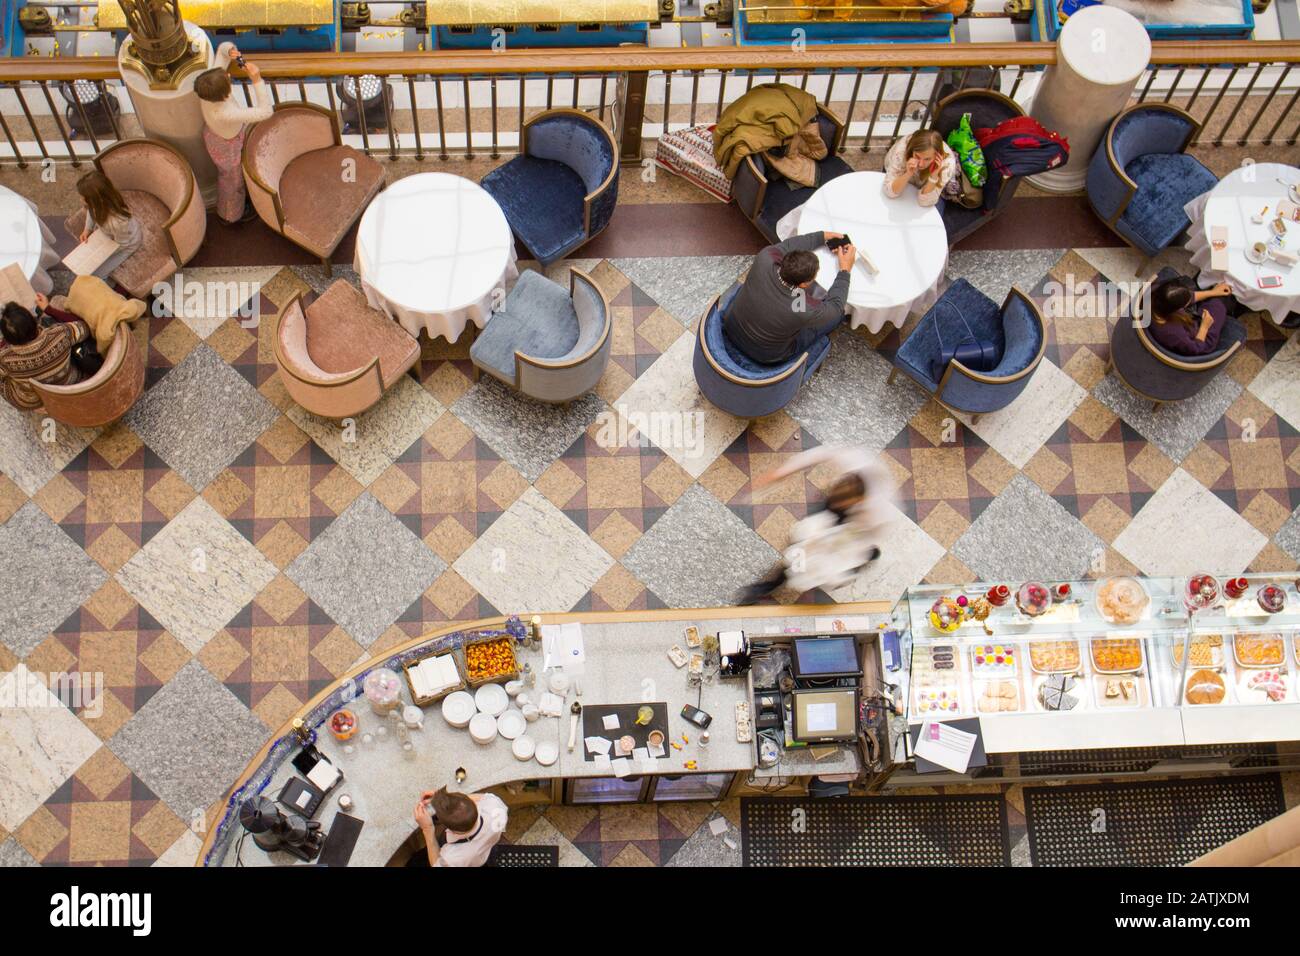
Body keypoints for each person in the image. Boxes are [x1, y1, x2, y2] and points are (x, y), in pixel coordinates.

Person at [738, 445, 895, 604]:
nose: (837, 501)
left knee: (831, 561)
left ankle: (870, 554)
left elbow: (863, 540)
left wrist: (850, 556)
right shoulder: (856, 462)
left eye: (843, 501)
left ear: (859, 500)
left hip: (857, 528)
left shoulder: (878, 514)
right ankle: (773, 583)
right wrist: (781, 473)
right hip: (841, 515)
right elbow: (821, 453)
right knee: (801, 546)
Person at [725, 231, 855, 365]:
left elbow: (790, 244)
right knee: (837, 317)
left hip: (731, 326)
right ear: (804, 284)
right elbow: (836, 306)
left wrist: (822, 236)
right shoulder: (803, 308)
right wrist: (845, 270)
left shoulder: (765, 257)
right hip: (765, 356)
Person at [196, 43, 273, 223]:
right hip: (227, 146)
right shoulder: (225, 112)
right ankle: (230, 215)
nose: (229, 74)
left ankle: (234, 209)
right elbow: (266, 112)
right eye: (227, 79)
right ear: (224, 96)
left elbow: (221, 52)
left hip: (218, 135)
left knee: (231, 178)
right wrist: (256, 79)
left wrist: (228, 51)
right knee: (232, 182)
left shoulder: (207, 91)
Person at [0, 297, 96, 410]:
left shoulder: (5, 358)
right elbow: (85, 327)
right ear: (34, 321)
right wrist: (49, 309)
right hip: (68, 383)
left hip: (32, 401)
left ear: (8, 339)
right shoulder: (61, 333)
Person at [1146, 273, 1244, 357]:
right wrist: (1204, 327)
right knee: (1221, 302)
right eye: (1186, 302)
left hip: (1185, 322)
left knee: (1214, 295)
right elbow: (1197, 349)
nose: (1190, 298)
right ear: (1177, 309)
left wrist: (1212, 292)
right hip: (1199, 339)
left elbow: (1190, 297)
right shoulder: (1175, 334)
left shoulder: (1153, 295)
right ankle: (1234, 310)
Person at [412, 786, 508, 867]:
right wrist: (443, 800)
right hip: (487, 847)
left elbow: (436, 864)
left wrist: (427, 829)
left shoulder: (452, 857)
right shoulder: (495, 806)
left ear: (450, 829)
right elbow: (479, 799)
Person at [75, 170, 143, 284]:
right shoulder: (97, 205)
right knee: (90, 269)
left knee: (98, 274)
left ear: (95, 200)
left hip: (127, 244)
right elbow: (91, 212)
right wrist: (87, 229)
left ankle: (111, 287)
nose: (80, 200)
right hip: (110, 236)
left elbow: (123, 244)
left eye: (82, 197)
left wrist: (103, 254)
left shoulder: (118, 222)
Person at [882, 129, 957, 208]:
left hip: (924, 185)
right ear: (912, 150)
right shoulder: (901, 150)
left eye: (927, 159)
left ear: (936, 157)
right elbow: (889, 191)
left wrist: (934, 176)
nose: (921, 164)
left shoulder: (947, 164)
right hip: (897, 172)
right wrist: (908, 174)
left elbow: (925, 202)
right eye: (917, 156)